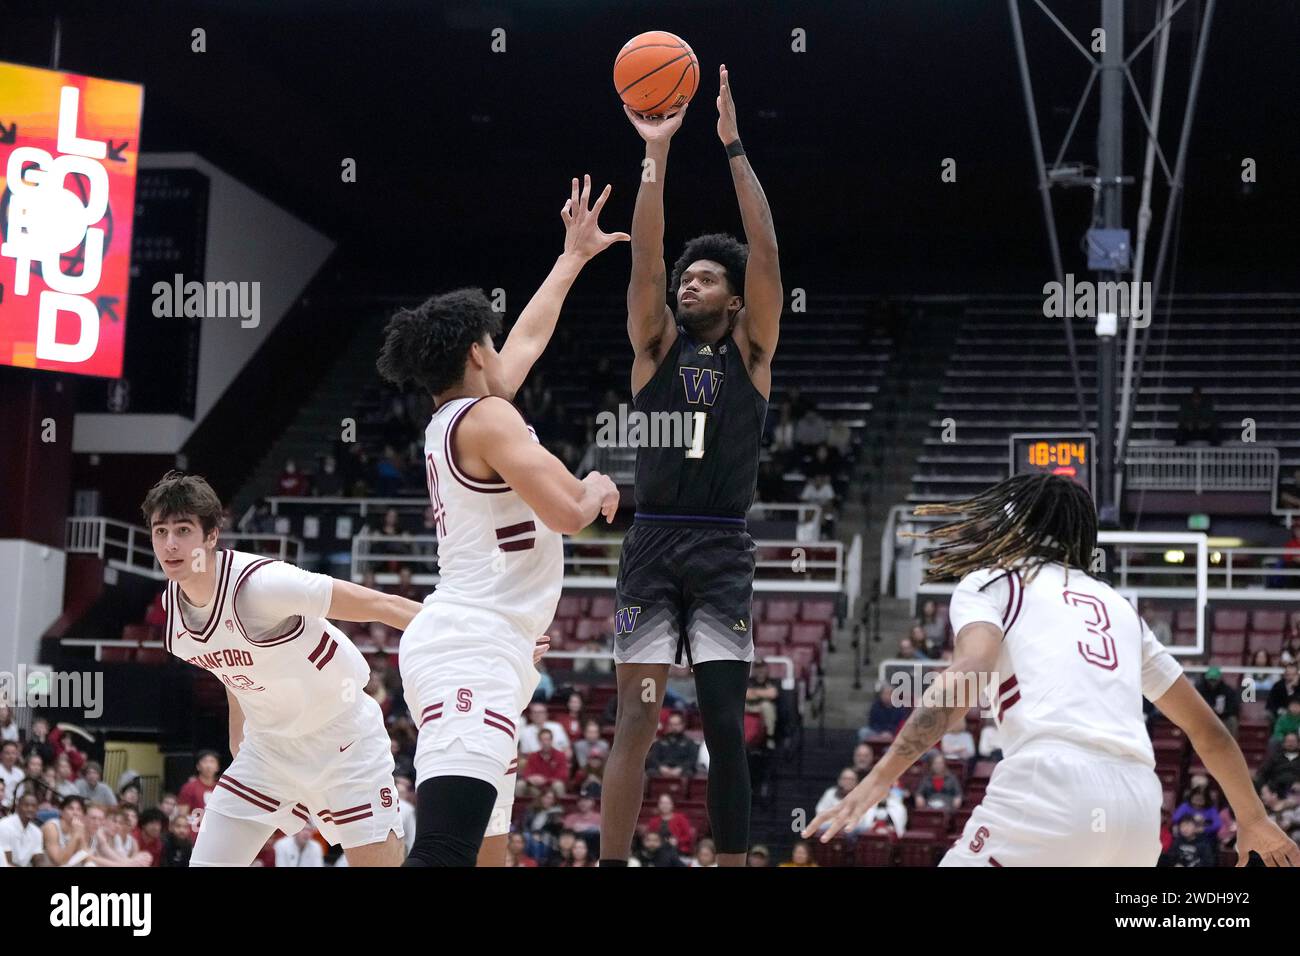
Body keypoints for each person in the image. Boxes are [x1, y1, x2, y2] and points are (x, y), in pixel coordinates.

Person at [806, 473, 1300, 866]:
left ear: (1015, 526)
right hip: (1137, 807)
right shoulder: (1121, 608)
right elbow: (1206, 729)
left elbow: (968, 674)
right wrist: (1252, 818)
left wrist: (882, 775)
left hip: (1053, 783)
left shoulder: (996, 582)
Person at [378, 175, 624, 868]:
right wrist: (599, 483)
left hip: (490, 645)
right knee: (444, 854)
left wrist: (572, 257)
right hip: (472, 648)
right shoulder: (487, 419)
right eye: (492, 337)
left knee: (487, 858)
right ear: (476, 353)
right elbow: (570, 512)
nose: (501, 345)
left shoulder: (459, 415)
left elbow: (529, 340)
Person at [602, 64, 782, 869]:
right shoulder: (653, 348)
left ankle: (735, 862)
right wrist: (656, 153)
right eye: (686, 276)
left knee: (721, 722)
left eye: (704, 276)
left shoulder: (752, 349)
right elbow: (645, 252)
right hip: (651, 546)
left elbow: (768, 250)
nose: (686, 281)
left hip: (720, 550)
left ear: (736, 299)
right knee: (636, 720)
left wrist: (733, 146)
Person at [144, 471, 418, 866]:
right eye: (160, 531)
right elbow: (229, 664)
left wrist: (483, 639)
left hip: (343, 740)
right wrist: (238, 734)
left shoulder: (262, 586)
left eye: (183, 530)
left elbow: (385, 605)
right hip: (269, 750)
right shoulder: (174, 619)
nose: (170, 544)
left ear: (211, 536)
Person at [647, 712, 699, 779]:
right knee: (650, 772)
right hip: (662, 769)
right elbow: (653, 758)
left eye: (676, 724)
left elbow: (692, 759)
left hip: (681, 770)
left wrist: (680, 769)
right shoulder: (660, 742)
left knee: (689, 773)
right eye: (671, 724)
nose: (673, 727)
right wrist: (661, 767)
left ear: (682, 725)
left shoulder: (689, 743)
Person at [42, 794, 89, 867]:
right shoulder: (51, 827)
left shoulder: (79, 828)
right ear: (61, 811)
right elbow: (59, 861)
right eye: (71, 809)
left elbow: (86, 857)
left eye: (79, 809)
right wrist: (75, 835)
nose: (75, 813)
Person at [0, 794, 46, 867]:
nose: (30, 809)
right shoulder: (4, 825)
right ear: (17, 807)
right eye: (26, 805)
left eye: (34, 806)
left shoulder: (37, 832)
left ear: (37, 809)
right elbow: (6, 862)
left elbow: (38, 859)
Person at [1196, 667, 1240, 738]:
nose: (1212, 682)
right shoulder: (1200, 689)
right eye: (1210, 680)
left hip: (1223, 717)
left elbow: (1234, 708)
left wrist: (1224, 711)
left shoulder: (1227, 690)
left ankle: (1231, 744)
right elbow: (1195, 706)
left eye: (1214, 680)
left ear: (1219, 679)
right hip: (1205, 717)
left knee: (1232, 720)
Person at [746, 659, 780, 744]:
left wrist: (754, 692)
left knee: (766, 705)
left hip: (763, 708)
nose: (760, 670)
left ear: (766, 669)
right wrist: (763, 693)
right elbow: (746, 695)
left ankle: (770, 737)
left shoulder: (773, 681)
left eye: (762, 667)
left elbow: (772, 694)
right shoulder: (749, 681)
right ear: (754, 670)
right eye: (757, 668)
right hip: (750, 707)